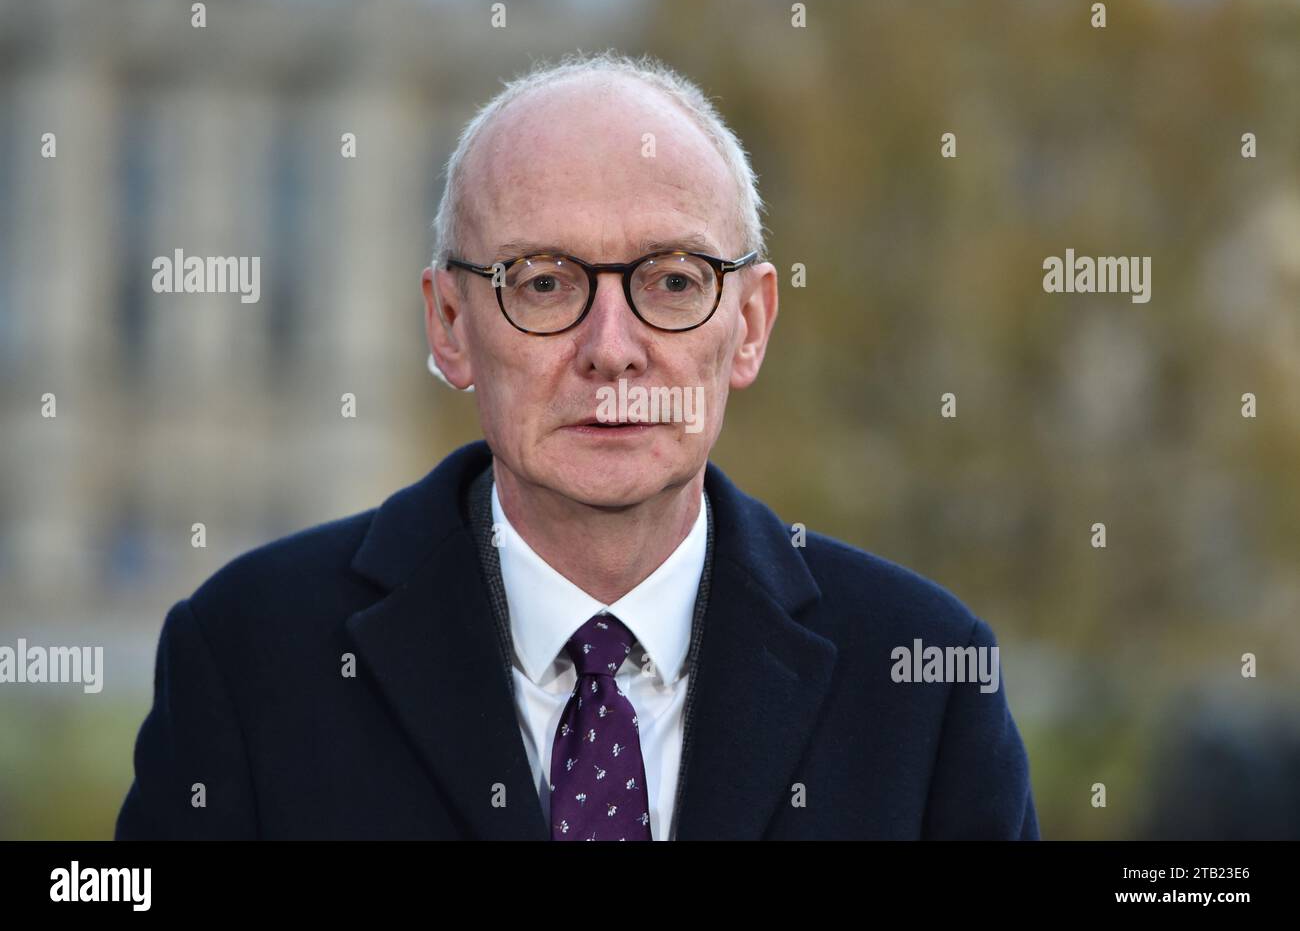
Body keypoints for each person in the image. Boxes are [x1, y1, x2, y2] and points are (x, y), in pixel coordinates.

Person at [116, 51, 1039, 840]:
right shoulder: (250, 657)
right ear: (449, 322)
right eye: (546, 282)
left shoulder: (922, 677)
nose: (611, 348)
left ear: (750, 324)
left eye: (674, 280)